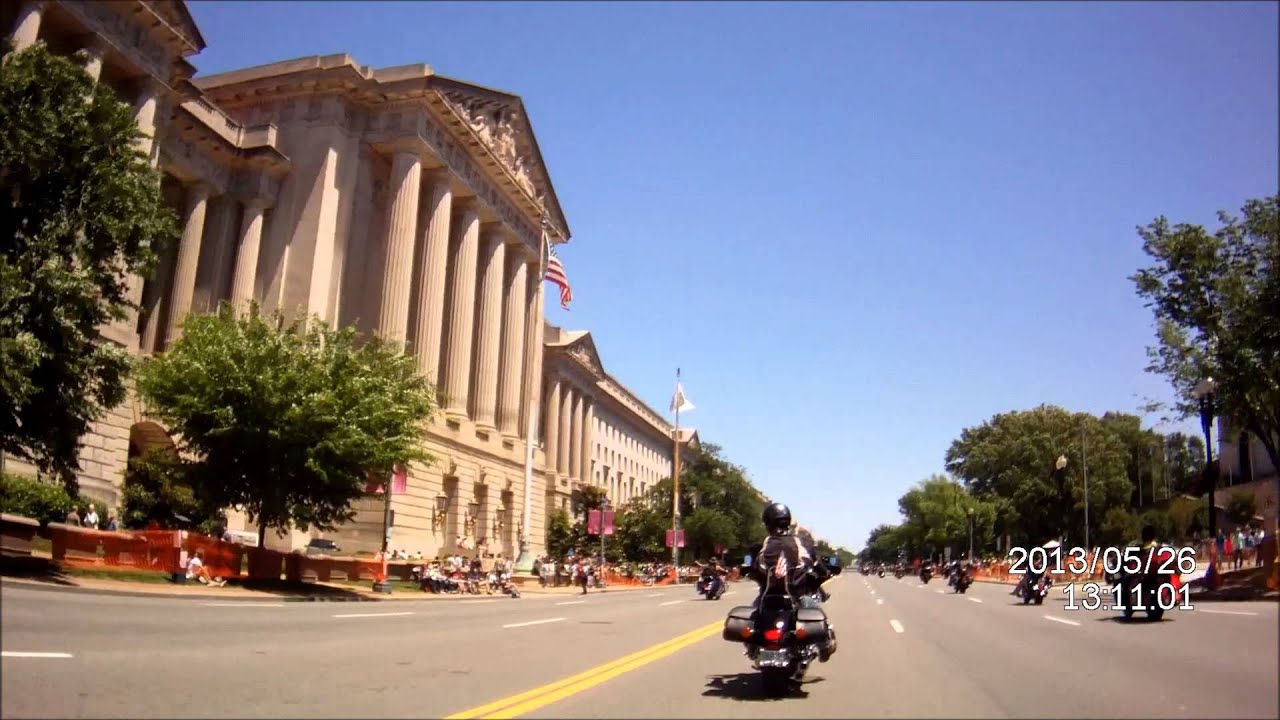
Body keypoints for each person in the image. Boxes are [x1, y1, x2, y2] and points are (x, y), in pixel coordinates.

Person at [746, 503, 836, 662]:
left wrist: (753, 573)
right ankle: (824, 645)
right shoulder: (801, 544)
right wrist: (825, 573)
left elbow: (750, 568)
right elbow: (818, 565)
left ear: (767, 523)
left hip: (767, 598)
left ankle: (752, 647)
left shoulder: (762, 545)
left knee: (752, 616)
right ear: (787, 521)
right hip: (797, 597)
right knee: (817, 616)